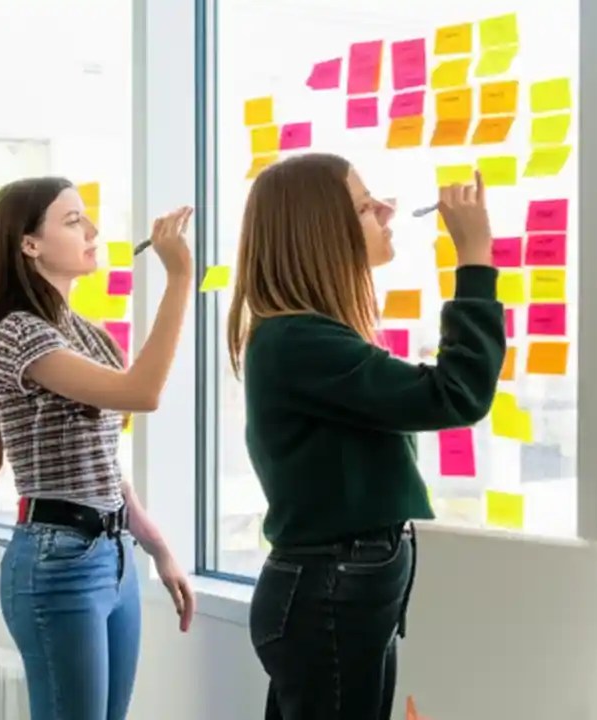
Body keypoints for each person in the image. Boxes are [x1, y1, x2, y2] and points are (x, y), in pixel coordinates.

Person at [228, 155, 503, 719]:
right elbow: (456, 393)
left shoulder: (310, 337)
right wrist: (474, 258)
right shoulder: (297, 342)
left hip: (340, 590)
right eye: (364, 204)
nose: (387, 210)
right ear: (321, 233)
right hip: (330, 594)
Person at [0, 178, 197, 720]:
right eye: (73, 220)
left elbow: (102, 462)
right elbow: (141, 393)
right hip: (58, 558)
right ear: (29, 244)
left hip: (112, 552)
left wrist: (155, 545)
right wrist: (180, 278)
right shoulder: (18, 333)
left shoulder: (88, 333)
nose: (92, 230)